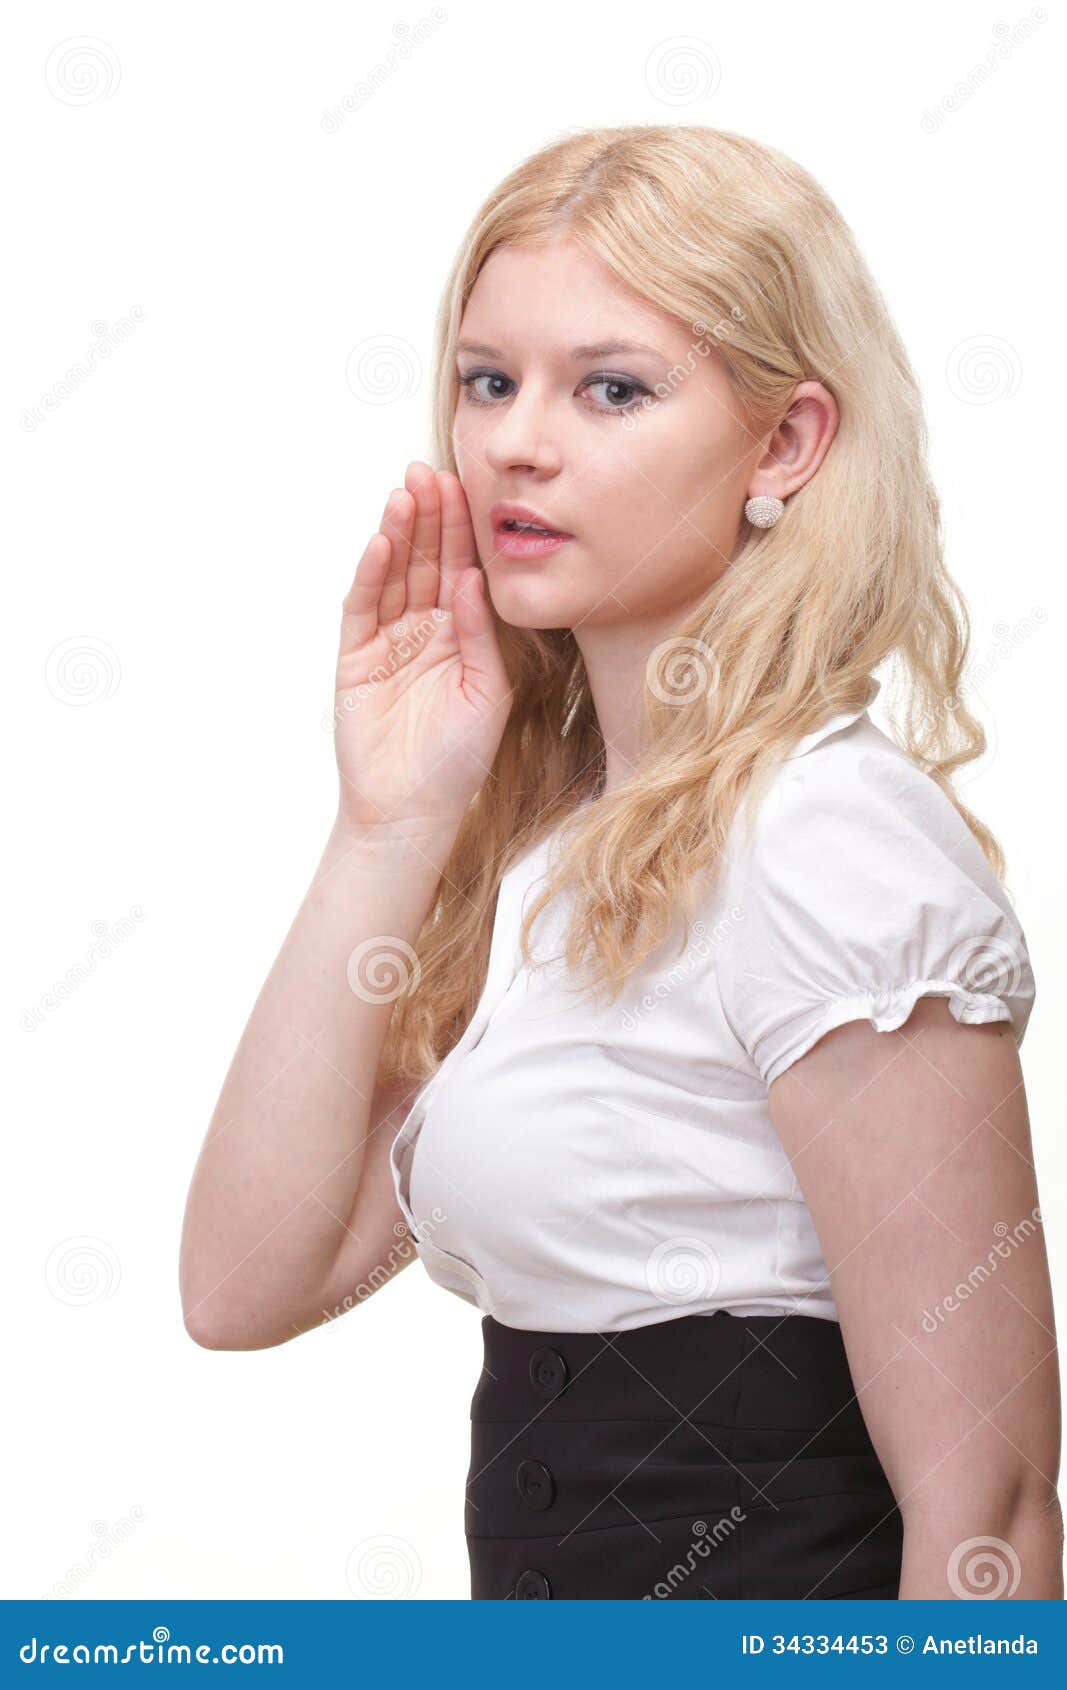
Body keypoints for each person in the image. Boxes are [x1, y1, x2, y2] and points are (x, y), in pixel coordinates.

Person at [180, 124, 1062, 1600]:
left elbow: (996, 1508)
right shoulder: (549, 857)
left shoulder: (826, 837)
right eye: (487, 380)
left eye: (611, 387)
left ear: (785, 442)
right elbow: (242, 1284)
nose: (519, 439)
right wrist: (388, 823)